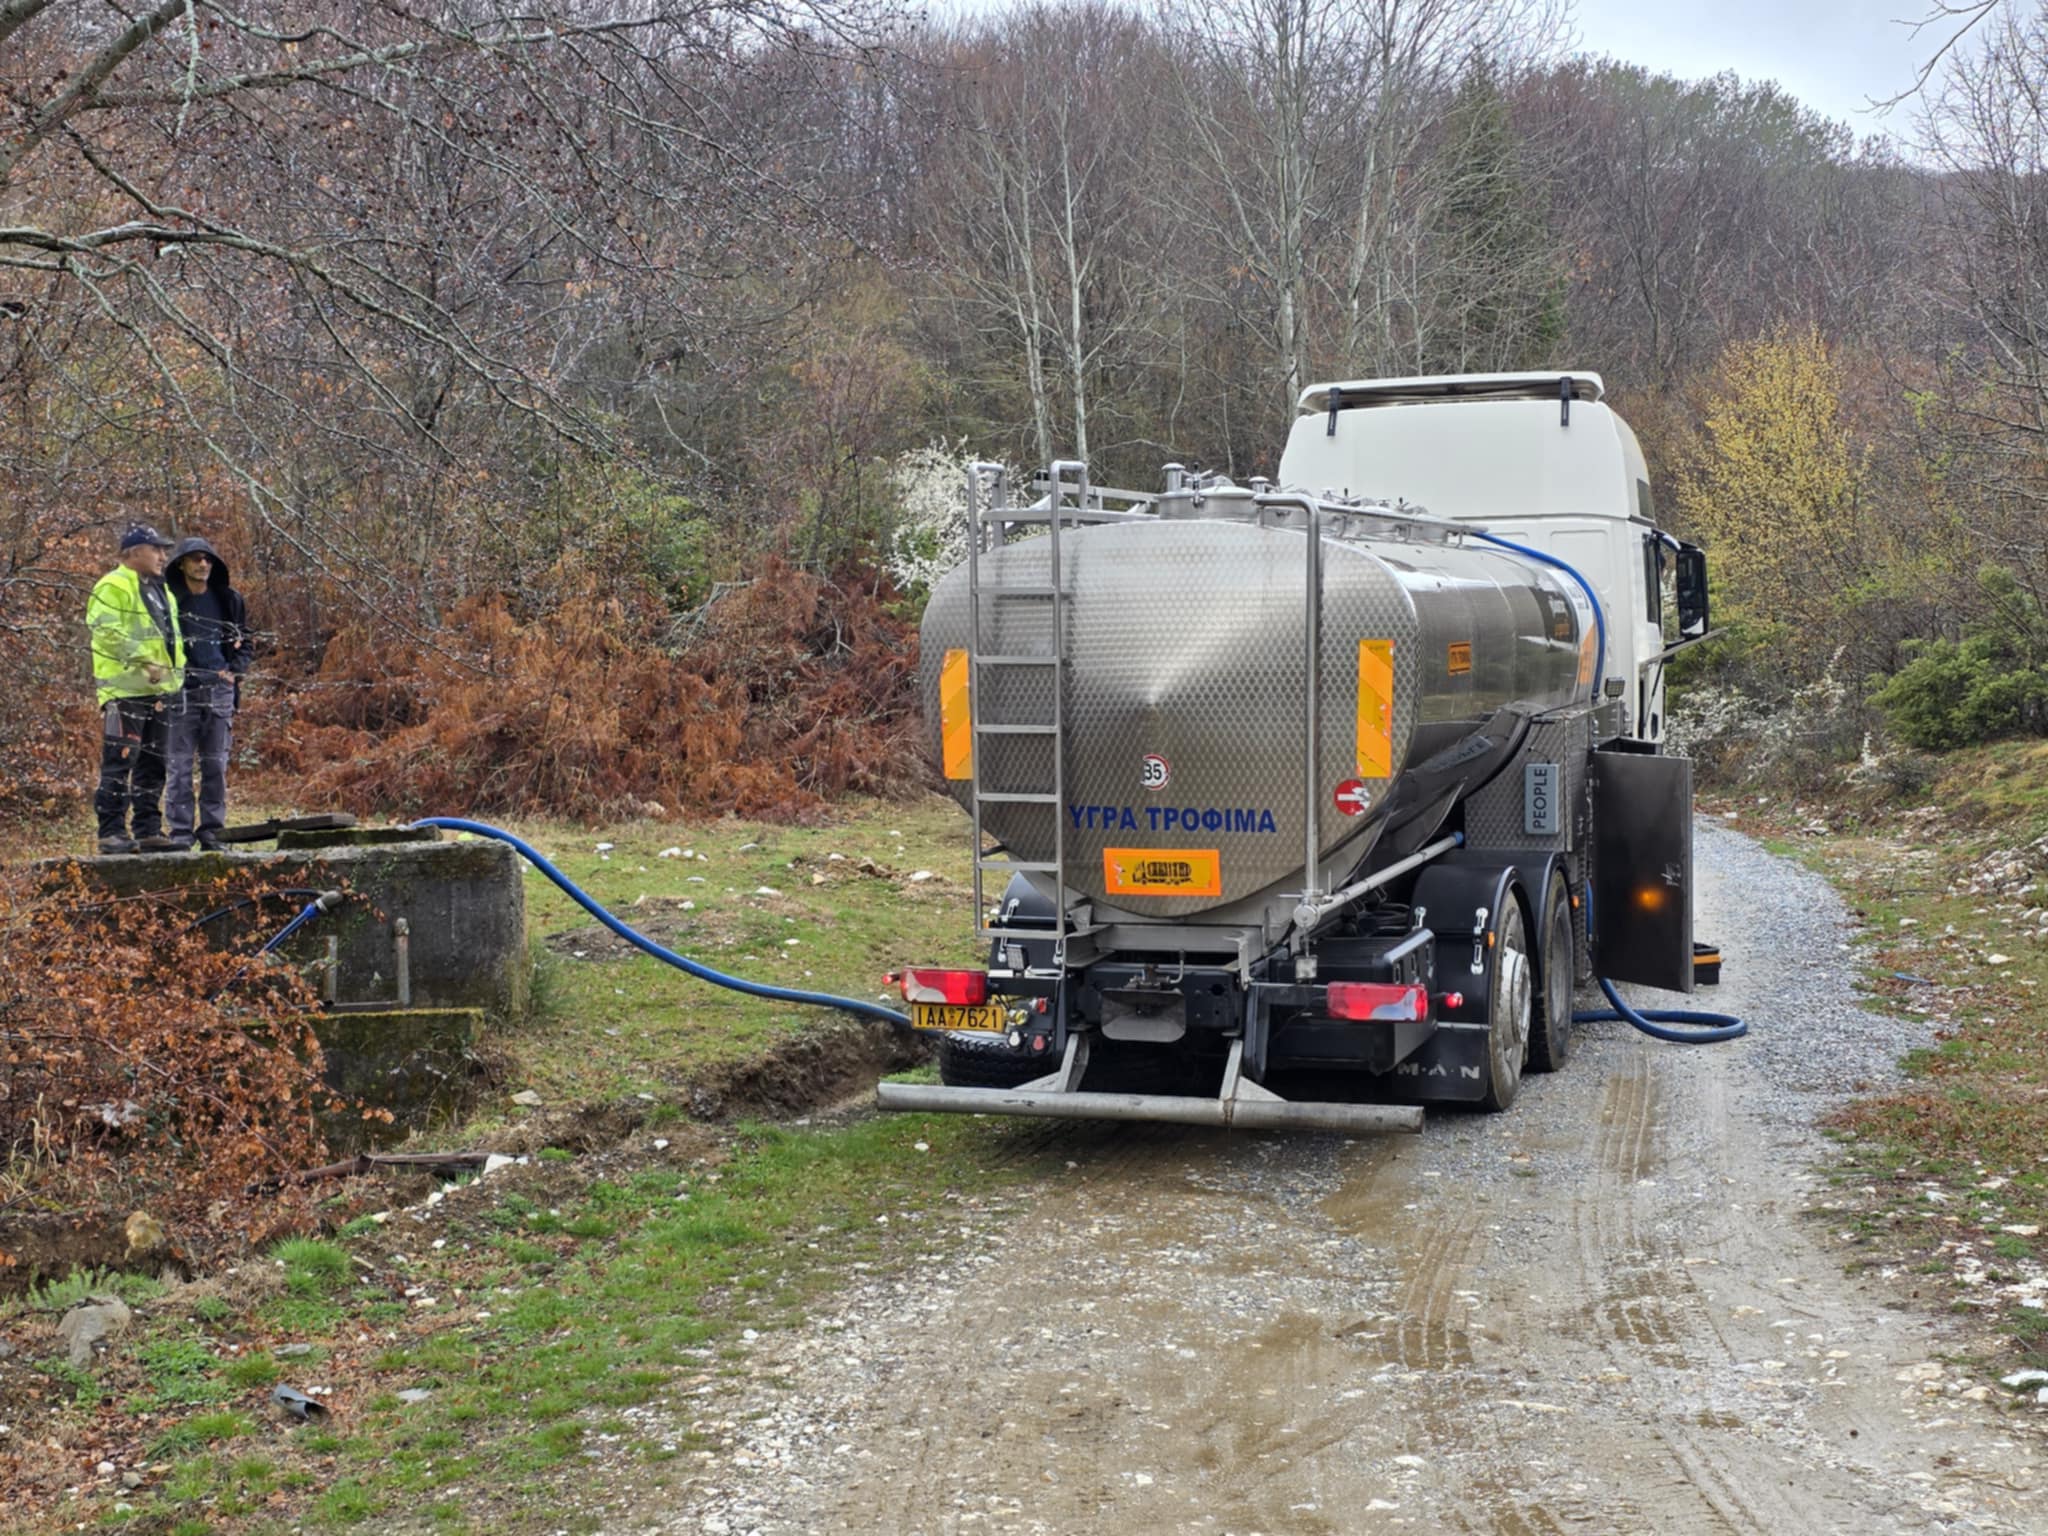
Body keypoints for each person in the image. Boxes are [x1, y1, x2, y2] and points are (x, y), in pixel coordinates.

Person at [87, 525, 183, 854]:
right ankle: (111, 832)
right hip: (125, 692)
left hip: (160, 692)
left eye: (163, 550)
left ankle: (147, 830)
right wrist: (144, 660)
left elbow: (171, 641)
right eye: (155, 549)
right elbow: (106, 633)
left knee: (154, 763)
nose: (162, 556)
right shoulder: (112, 585)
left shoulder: (161, 589)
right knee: (120, 759)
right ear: (133, 552)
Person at [163, 536, 251, 852]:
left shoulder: (228, 600)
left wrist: (233, 671)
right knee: (180, 767)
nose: (203, 564)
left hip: (219, 692)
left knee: (216, 766)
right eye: (196, 559)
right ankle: (180, 835)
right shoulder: (170, 601)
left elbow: (246, 641)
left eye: (208, 560)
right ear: (182, 564)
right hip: (181, 693)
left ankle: (213, 833)